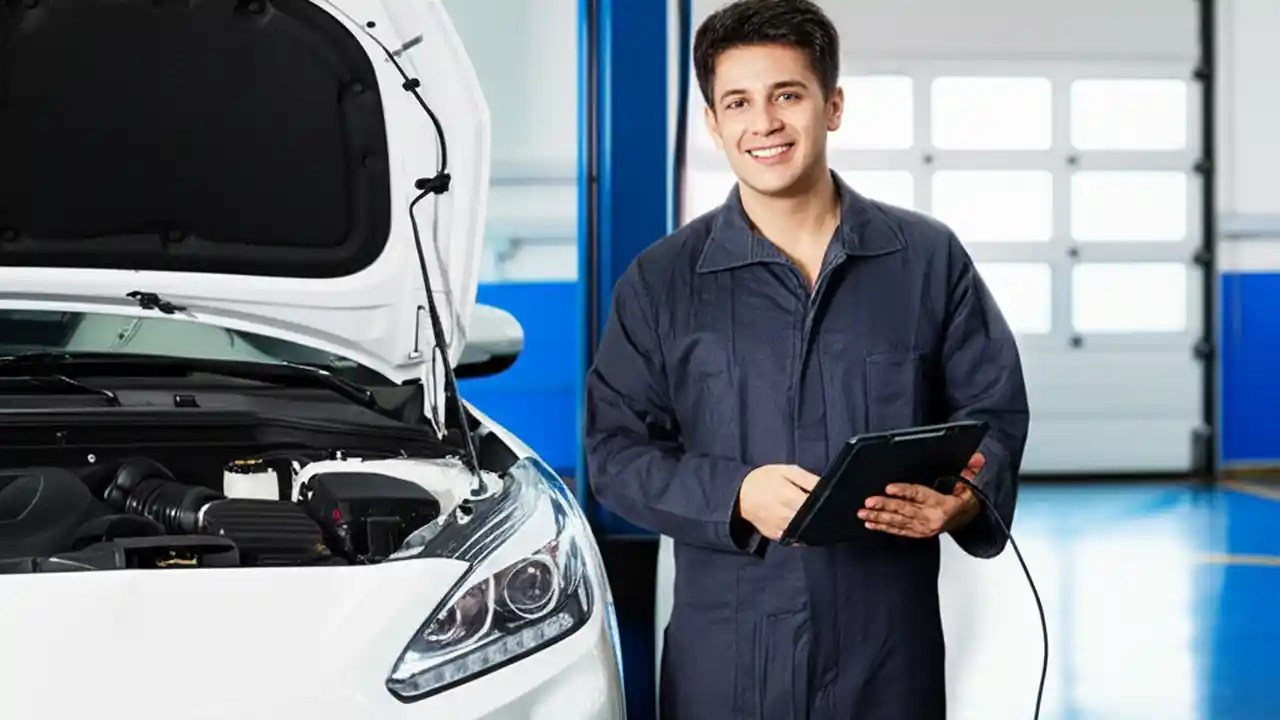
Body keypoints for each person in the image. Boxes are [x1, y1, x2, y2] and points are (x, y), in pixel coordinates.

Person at [584, 0, 1029, 717]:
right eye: (738, 102)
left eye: (787, 95)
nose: (763, 123)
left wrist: (966, 497)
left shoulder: (924, 259)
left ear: (833, 106)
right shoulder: (662, 281)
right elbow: (614, 453)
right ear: (713, 122)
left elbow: (994, 411)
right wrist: (734, 495)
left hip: (888, 642)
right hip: (728, 645)